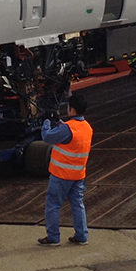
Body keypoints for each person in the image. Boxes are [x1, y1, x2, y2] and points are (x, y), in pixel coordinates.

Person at [38, 93, 93, 246]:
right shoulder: (86, 127)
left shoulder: (67, 129)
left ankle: (53, 237)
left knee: (53, 205)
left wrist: (46, 122)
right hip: (78, 174)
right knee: (77, 204)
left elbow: (47, 137)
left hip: (61, 175)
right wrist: (59, 122)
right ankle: (82, 236)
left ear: (72, 109)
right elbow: (69, 136)